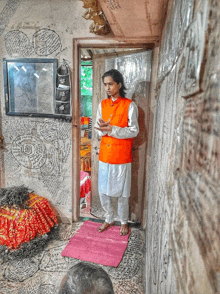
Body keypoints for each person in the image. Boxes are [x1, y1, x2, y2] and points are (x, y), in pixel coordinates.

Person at [94, 69, 139, 236]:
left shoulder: (129, 105)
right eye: (105, 84)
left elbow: (134, 131)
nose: (107, 87)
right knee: (103, 190)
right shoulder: (102, 105)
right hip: (105, 155)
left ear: (119, 85)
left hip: (122, 156)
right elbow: (98, 130)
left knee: (122, 193)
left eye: (110, 84)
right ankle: (109, 217)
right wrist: (103, 129)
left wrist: (113, 129)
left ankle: (123, 221)